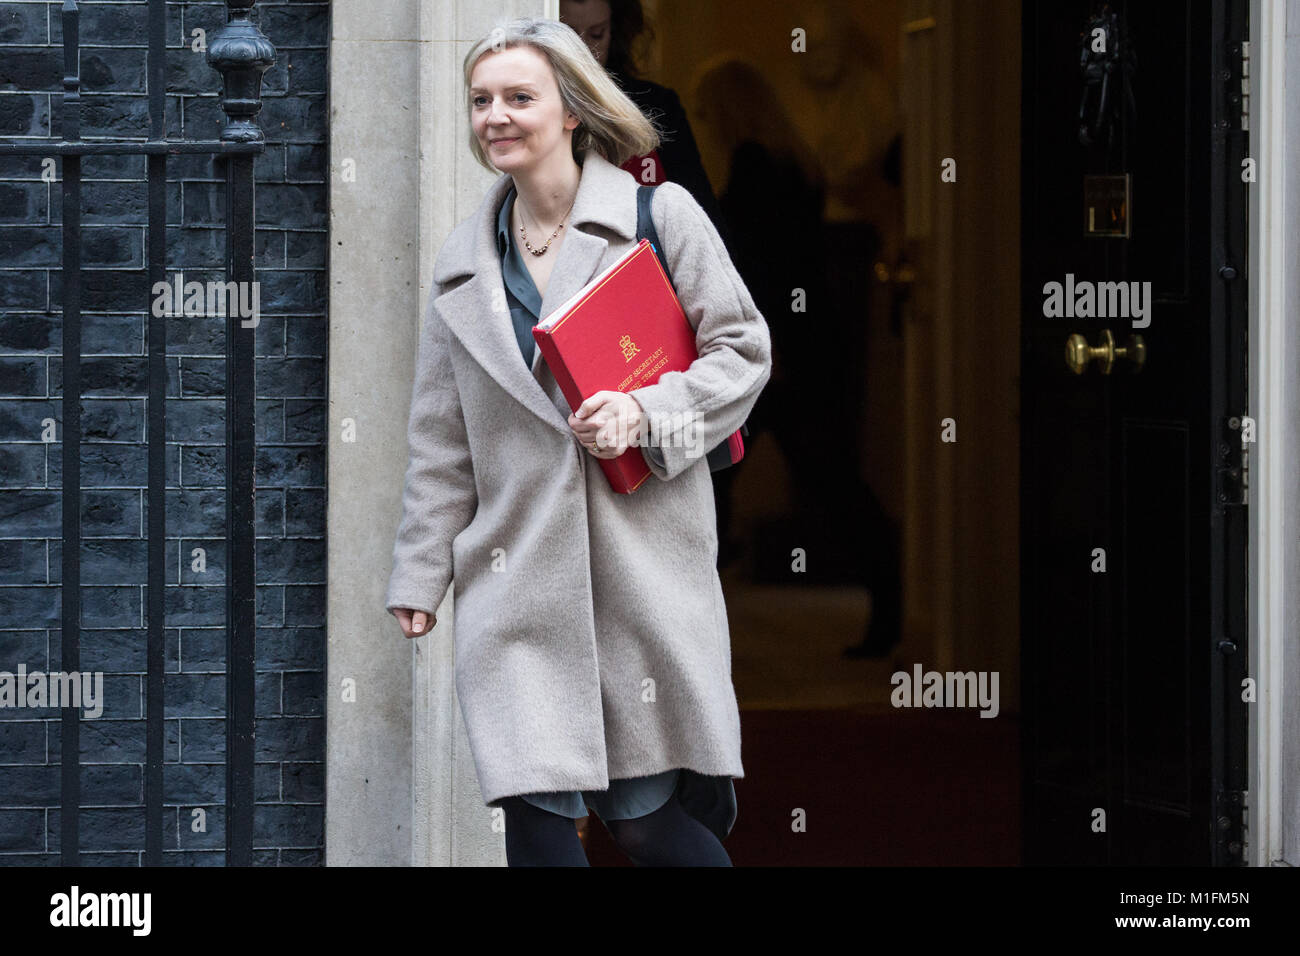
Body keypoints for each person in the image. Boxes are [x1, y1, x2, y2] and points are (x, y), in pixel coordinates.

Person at [384, 17, 771, 866]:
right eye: (481, 100)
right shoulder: (462, 267)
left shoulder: (660, 217)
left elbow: (744, 352)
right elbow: (441, 444)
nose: (496, 116)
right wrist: (421, 571)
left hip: (641, 578)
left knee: (643, 822)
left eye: (520, 97)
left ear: (572, 110)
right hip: (515, 584)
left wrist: (647, 415)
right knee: (537, 822)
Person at [558, 0, 729, 243]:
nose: (584, 51)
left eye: (597, 34)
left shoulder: (657, 106)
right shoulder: (537, 108)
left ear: (614, 32)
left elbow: (701, 217)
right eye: (569, 37)